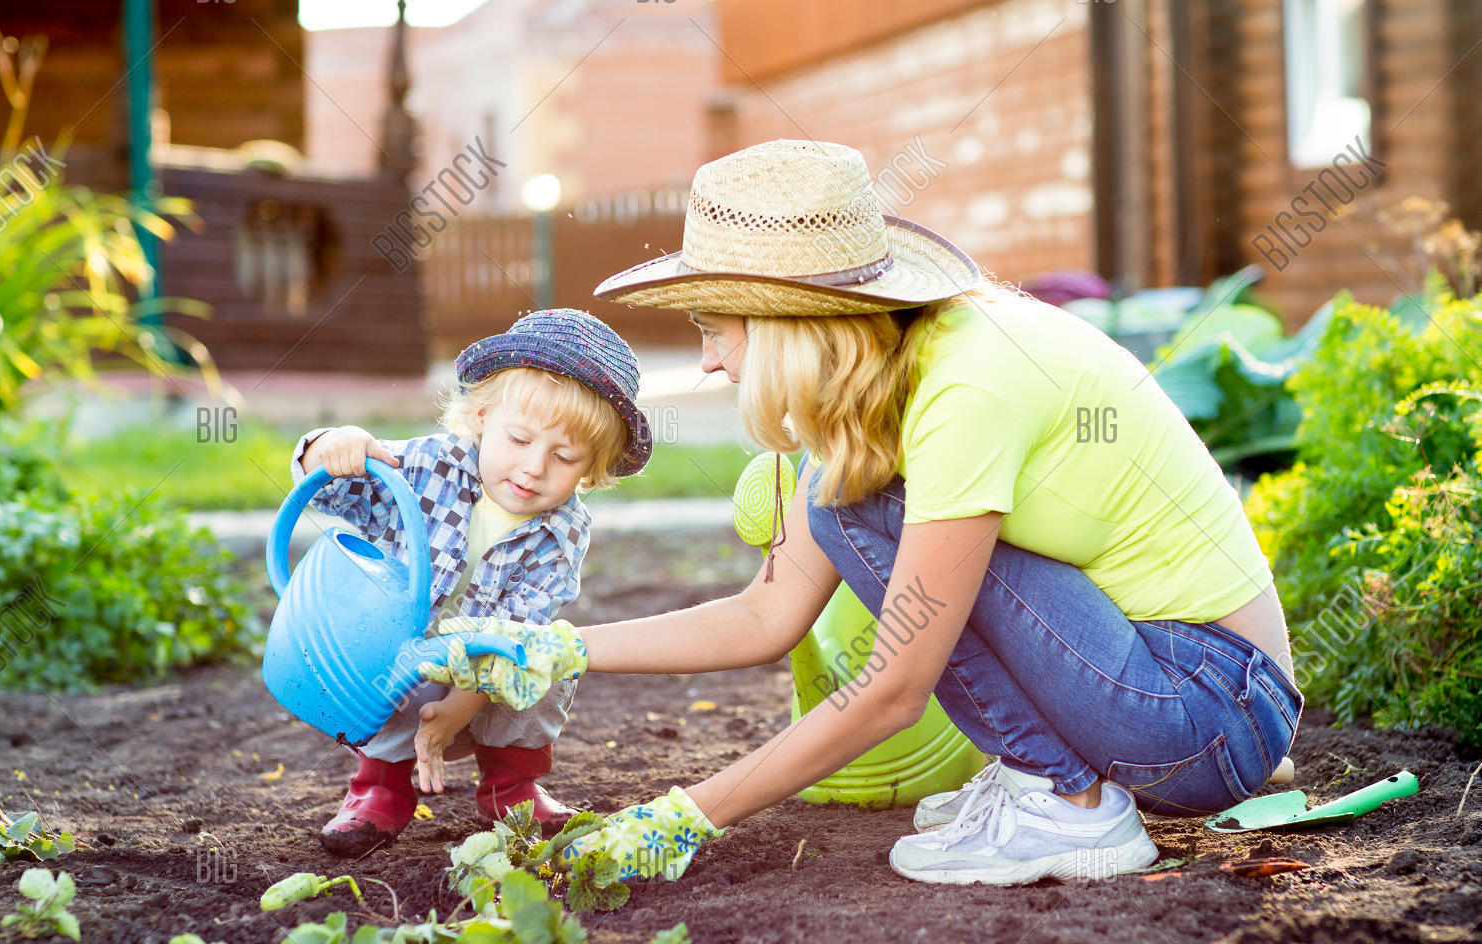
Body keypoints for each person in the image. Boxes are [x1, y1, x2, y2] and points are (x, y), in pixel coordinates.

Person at [419, 139, 1304, 887]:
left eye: (716, 330)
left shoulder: (967, 385)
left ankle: (1069, 805)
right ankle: (1055, 781)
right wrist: (560, 648)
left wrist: (681, 818)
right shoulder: (892, 380)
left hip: (1208, 710)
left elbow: (893, 690)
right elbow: (766, 615)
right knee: (841, 495)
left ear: (788, 325)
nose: (713, 365)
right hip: (1147, 687)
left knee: (849, 501)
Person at [291, 308, 651, 856]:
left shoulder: (563, 530)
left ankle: (512, 788)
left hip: (487, 669)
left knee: (547, 659)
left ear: (591, 469)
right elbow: (329, 491)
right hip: (398, 658)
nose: (533, 468)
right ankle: (379, 788)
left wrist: (462, 704)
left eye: (563, 457)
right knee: (377, 657)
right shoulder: (424, 466)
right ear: (482, 416)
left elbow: (519, 626)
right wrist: (329, 447)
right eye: (519, 439)